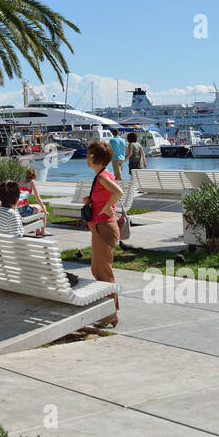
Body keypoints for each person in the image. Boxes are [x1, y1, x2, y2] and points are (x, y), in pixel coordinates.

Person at [84, 139, 123, 328]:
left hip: (104, 226)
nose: (86, 157)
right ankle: (109, 311)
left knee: (103, 271)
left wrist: (107, 207)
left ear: (95, 157)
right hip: (100, 227)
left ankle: (111, 313)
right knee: (98, 269)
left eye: (89, 154)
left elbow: (118, 192)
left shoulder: (102, 177)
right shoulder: (101, 175)